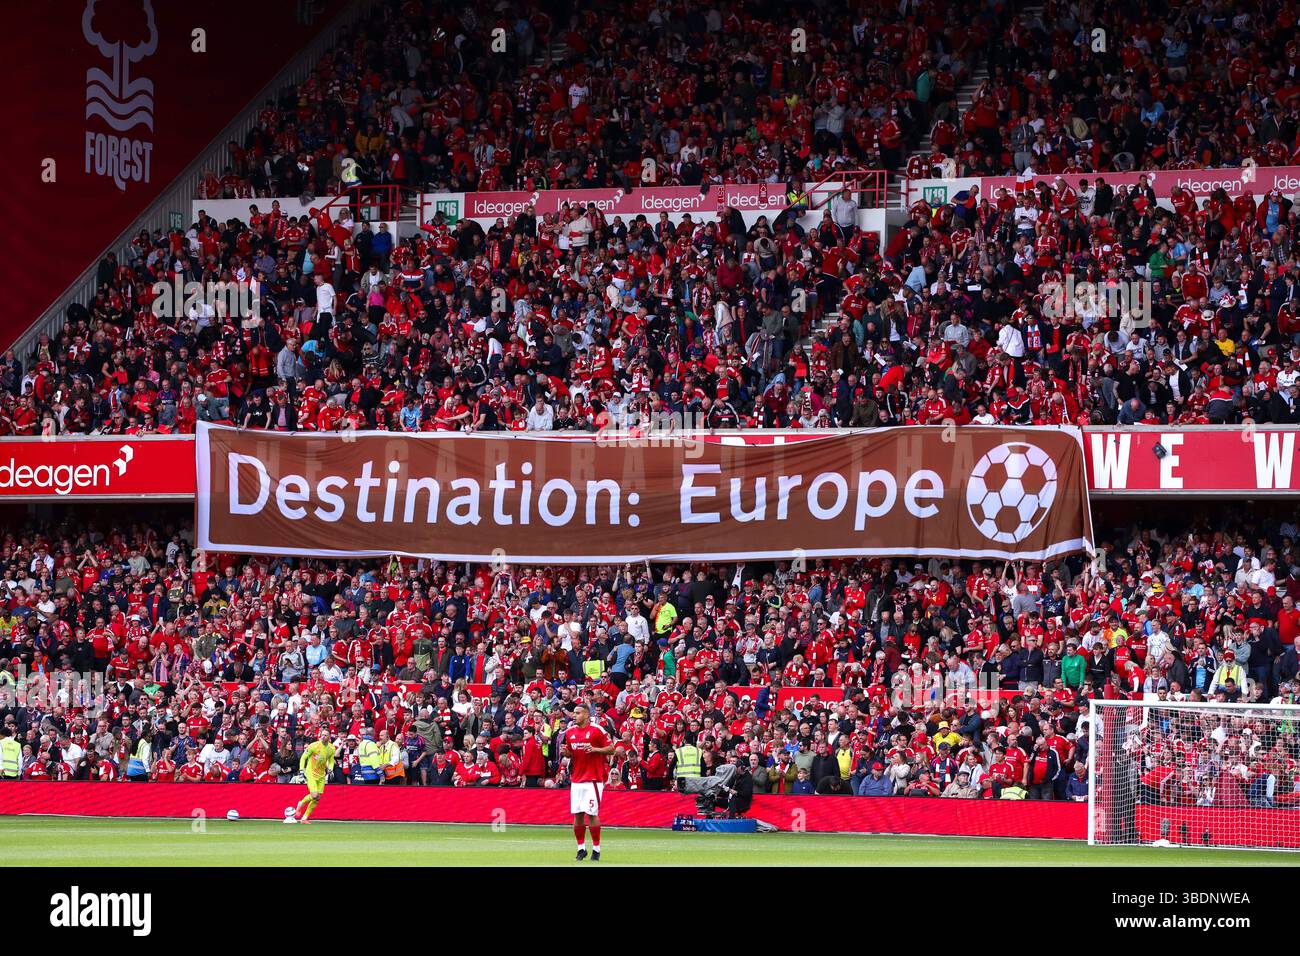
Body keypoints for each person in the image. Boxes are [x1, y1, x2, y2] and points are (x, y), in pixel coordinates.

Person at [564, 701, 615, 861]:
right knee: (577, 814)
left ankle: (596, 849)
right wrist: (567, 753)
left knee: (591, 814)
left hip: (593, 778)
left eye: (578, 713)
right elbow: (571, 753)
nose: (574, 715)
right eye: (574, 713)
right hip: (577, 779)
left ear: (586, 715)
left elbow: (611, 748)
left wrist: (595, 749)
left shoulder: (597, 730)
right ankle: (581, 849)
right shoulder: (570, 732)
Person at [288, 728, 336, 824]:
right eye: (322, 734)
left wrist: (330, 769)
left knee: (317, 798)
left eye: (326, 735)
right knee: (314, 795)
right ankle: (301, 803)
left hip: (322, 775)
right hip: (311, 774)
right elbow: (303, 757)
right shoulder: (313, 746)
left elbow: (331, 760)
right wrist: (302, 769)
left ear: (329, 737)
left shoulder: (331, 748)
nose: (323, 736)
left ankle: (304, 818)